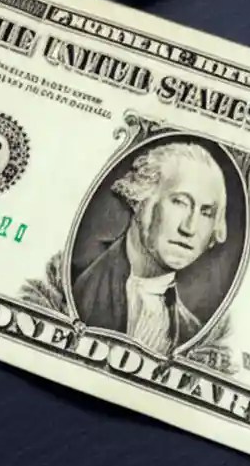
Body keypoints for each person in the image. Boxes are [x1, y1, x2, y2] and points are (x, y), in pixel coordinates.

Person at [69, 142, 228, 354]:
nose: (190, 228)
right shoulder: (70, 285)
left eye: (206, 212)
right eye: (180, 202)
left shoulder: (192, 333)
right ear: (140, 201)